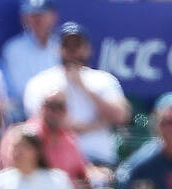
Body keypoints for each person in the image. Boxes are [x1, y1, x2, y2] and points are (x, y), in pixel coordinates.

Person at [22, 22, 128, 167]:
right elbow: (42, 122)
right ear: (57, 49)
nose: (72, 51)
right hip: (55, 163)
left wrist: (83, 86)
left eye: (77, 45)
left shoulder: (104, 80)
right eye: (67, 46)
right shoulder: (40, 82)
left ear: (87, 49)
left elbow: (120, 116)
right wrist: (96, 125)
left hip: (99, 159)